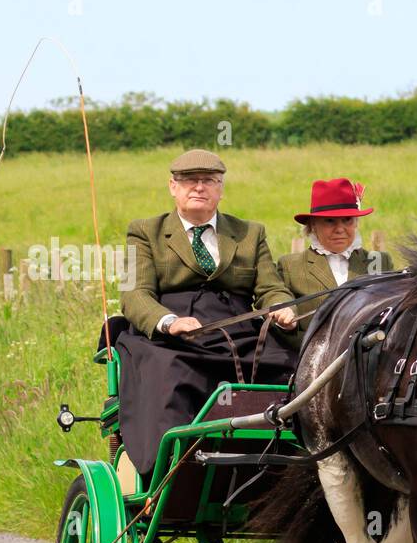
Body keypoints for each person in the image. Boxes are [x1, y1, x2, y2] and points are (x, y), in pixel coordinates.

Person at [116, 149, 300, 478]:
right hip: (172, 337)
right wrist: (169, 322)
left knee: (291, 364)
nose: (199, 187)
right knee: (169, 369)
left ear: (221, 189)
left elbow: (271, 288)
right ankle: (169, 473)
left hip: (239, 332)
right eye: (190, 180)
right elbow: (134, 293)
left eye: (209, 181)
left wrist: (283, 306)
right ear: (173, 186)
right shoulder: (143, 232)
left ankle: (286, 465)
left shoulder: (250, 233)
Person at [276, 178, 394, 333]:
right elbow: (282, 311)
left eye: (347, 220)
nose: (340, 229)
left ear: (356, 223)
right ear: (313, 225)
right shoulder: (291, 266)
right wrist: (286, 321)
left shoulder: (378, 261)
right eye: (330, 221)